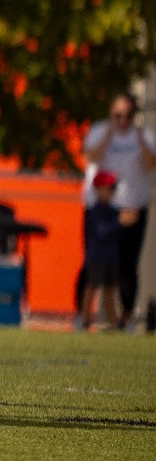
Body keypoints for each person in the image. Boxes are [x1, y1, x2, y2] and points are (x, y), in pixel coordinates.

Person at [82, 94, 154, 322]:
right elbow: (90, 156)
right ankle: (83, 315)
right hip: (102, 207)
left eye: (128, 116)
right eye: (118, 115)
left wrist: (141, 140)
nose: (123, 121)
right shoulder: (100, 130)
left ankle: (124, 316)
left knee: (125, 267)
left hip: (133, 207)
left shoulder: (144, 136)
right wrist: (108, 135)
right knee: (93, 264)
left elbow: (150, 164)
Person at [83, 171, 126, 332]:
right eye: (108, 187)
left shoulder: (113, 210)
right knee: (92, 287)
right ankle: (86, 319)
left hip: (110, 257)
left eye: (112, 188)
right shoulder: (95, 210)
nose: (111, 191)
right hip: (97, 256)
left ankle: (114, 322)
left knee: (110, 290)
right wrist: (120, 223)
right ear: (98, 189)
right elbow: (101, 231)